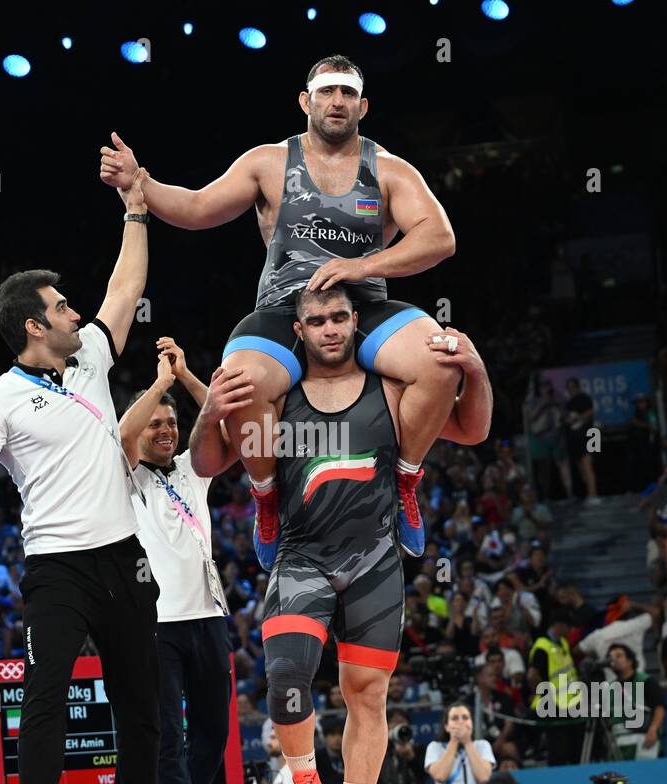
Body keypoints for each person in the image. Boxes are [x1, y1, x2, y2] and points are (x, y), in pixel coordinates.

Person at [101, 56, 461, 566]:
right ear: (305, 101)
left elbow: (439, 238)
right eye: (326, 92)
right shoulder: (269, 162)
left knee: (439, 359)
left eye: (347, 93)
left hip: (364, 307)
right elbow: (200, 208)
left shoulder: (388, 169)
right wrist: (140, 183)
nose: (337, 101)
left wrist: (361, 268)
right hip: (284, 307)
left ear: (363, 105)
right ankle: (266, 494)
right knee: (241, 380)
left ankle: (406, 478)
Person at [190, 283, 491, 784]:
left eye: (339, 318)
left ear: (357, 323)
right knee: (284, 681)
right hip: (300, 555)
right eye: (318, 321)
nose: (330, 329)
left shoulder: (394, 390)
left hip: (375, 558)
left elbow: (473, 430)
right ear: (297, 332)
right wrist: (210, 409)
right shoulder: (278, 398)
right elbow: (205, 461)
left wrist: (473, 371)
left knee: (367, 693)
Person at [0, 171, 172, 784]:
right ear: (35, 326)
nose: (77, 313)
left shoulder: (92, 356)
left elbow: (124, 292)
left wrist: (136, 211)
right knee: (46, 697)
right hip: (57, 567)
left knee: (141, 700)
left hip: (123, 557)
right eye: (62, 307)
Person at [119, 337, 231, 784]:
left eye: (171, 423)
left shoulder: (191, 469)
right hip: (157, 626)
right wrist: (160, 384)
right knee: (166, 735)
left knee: (214, 727)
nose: (165, 431)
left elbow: (231, 427)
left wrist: (185, 378)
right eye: (155, 425)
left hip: (209, 617)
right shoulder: (122, 478)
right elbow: (121, 433)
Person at [425, 702, 495, 784]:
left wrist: (467, 742)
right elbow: (440, 776)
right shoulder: (435, 747)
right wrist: (454, 741)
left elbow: (483, 776)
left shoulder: (482, 745)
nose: (460, 722)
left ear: (472, 723)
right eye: (454, 718)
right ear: (446, 726)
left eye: (465, 717)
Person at [528, 612, 586, 765]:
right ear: (558, 626)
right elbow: (532, 676)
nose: (570, 631)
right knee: (558, 750)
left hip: (570, 703)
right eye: (568, 628)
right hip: (553, 705)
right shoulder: (542, 646)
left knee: (575, 749)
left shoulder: (563, 643)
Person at [607, 644, 666, 760]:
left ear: (630, 661)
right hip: (619, 742)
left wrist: (653, 730)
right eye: (611, 657)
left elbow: (660, 707)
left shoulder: (646, 681)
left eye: (619, 656)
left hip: (643, 739)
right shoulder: (610, 688)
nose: (614, 660)